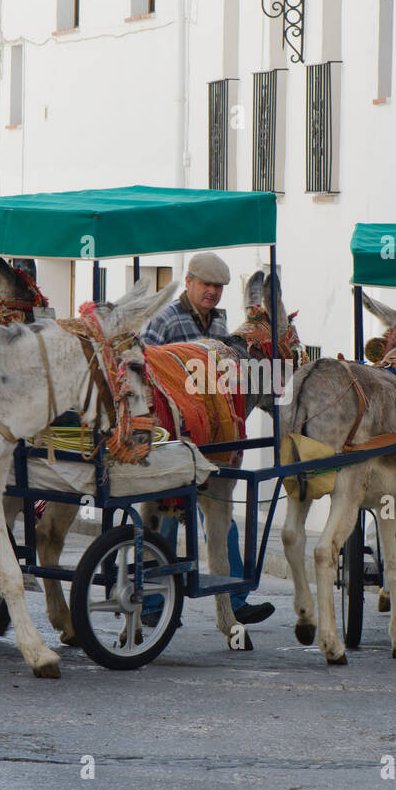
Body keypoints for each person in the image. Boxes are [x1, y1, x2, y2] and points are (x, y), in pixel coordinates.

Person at [139, 252, 275, 627]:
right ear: (190, 282)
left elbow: (229, 381)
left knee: (223, 519)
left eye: (218, 287)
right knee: (162, 517)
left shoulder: (221, 325)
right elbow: (143, 366)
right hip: (172, 439)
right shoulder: (164, 320)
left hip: (212, 442)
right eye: (207, 285)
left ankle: (233, 597)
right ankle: (152, 604)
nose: (212, 292)